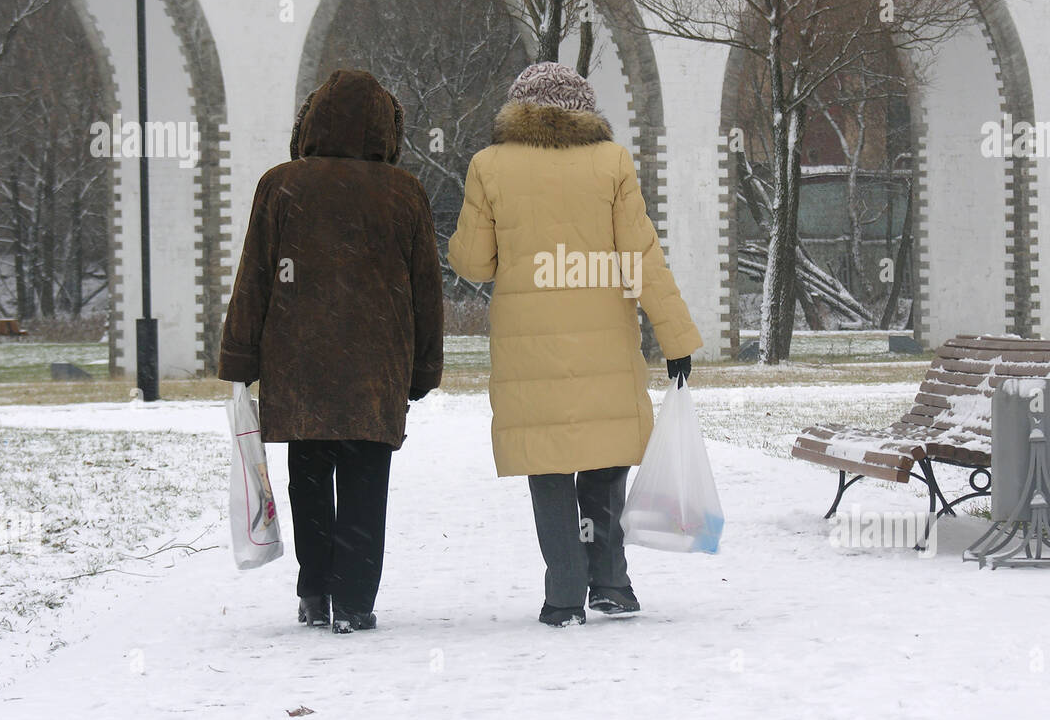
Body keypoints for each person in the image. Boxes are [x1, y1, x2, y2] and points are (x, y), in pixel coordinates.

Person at [448, 61, 702, 627]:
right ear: (585, 112)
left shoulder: (488, 165)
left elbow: (473, 262)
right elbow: (641, 256)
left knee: (549, 468)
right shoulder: (611, 162)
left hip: (527, 345)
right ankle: (610, 580)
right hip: (605, 339)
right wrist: (674, 336)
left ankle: (564, 592)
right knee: (605, 458)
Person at [218, 69, 444, 634]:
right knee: (367, 484)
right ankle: (356, 602)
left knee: (309, 480)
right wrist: (422, 368)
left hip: (301, 368)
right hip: (376, 371)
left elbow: (256, 278)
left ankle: (315, 592)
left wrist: (241, 359)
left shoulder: (281, 185)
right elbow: (425, 289)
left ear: (311, 123)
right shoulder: (403, 192)